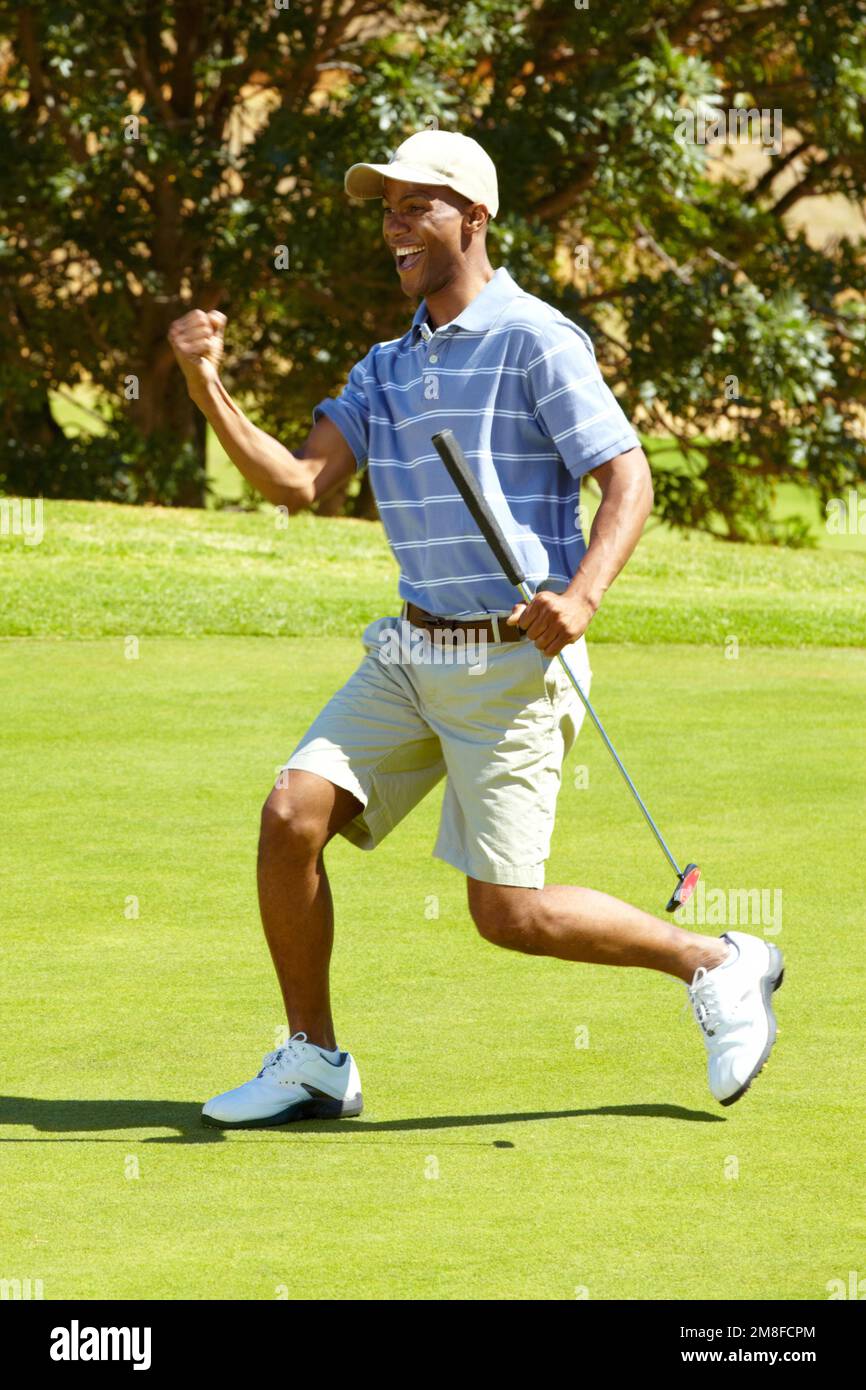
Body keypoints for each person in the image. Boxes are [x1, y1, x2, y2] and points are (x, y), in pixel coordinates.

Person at [167, 130, 783, 1128]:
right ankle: (315, 1059)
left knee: (509, 915)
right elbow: (295, 482)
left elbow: (626, 476)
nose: (395, 224)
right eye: (387, 207)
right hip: (409, 652)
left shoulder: (536, 337)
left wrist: (578, 595)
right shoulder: (382, 366)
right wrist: (206, 384)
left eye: (418, 205)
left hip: (513, 662)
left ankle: (716, 961)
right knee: (290, 817)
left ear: (473, 218)